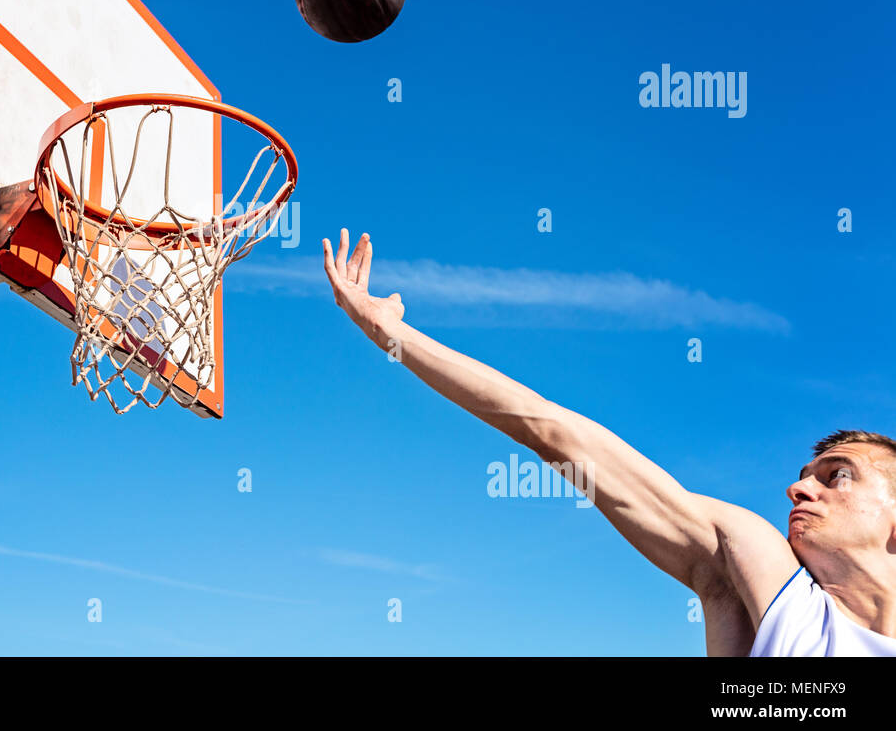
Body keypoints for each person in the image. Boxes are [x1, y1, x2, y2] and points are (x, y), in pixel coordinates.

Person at [322, 228, 896, 656]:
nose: (798, 488)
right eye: (806, 472)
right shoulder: (768, 587)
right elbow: (548, 428)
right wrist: (392, 336)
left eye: (836, 475)